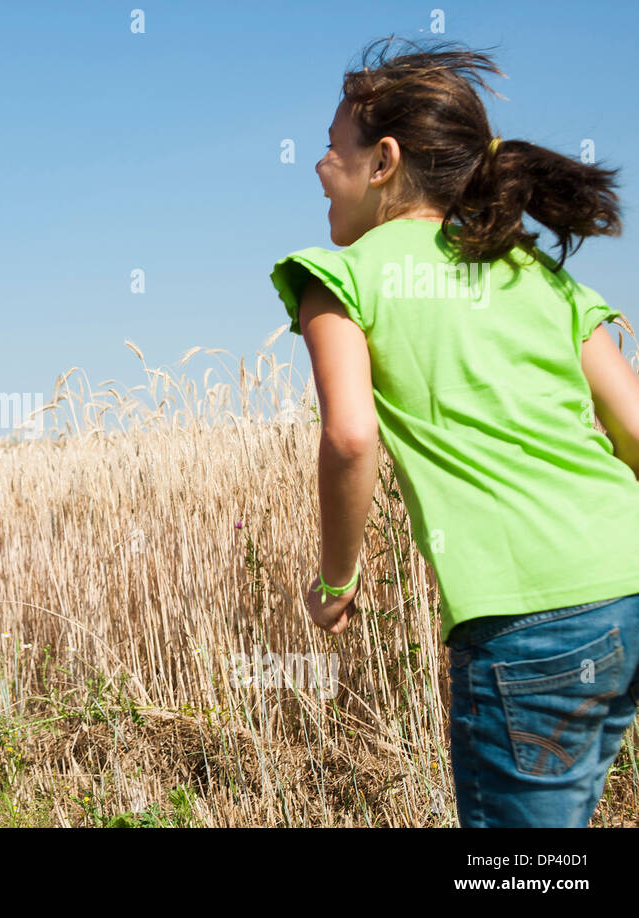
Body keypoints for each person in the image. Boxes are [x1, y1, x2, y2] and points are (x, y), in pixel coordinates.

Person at [270, 37, 639, 827]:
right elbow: (635, 428)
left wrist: (337, 583)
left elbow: (350, 439)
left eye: (333, 149)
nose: (317, 168)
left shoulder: (338, 277)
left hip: (527, 619)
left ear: (383, 162)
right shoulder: (533, 270)